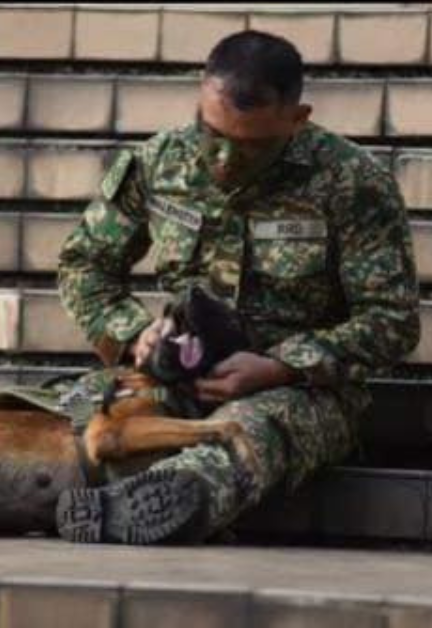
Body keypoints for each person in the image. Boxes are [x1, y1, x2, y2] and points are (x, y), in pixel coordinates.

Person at [53, 30, 420, 544]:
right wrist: (135, 334)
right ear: (200, 95)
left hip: (299, 390)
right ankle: (33, 496)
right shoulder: (159, 162)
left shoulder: (352, 183)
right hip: (179, 369)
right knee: (77, 408)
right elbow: (84, 265)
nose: (223, 159)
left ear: (297, 119)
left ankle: (167, 501)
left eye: (250, 147)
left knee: (249, 431)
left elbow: (392, 321)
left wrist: (282, 365)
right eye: (211, 134)